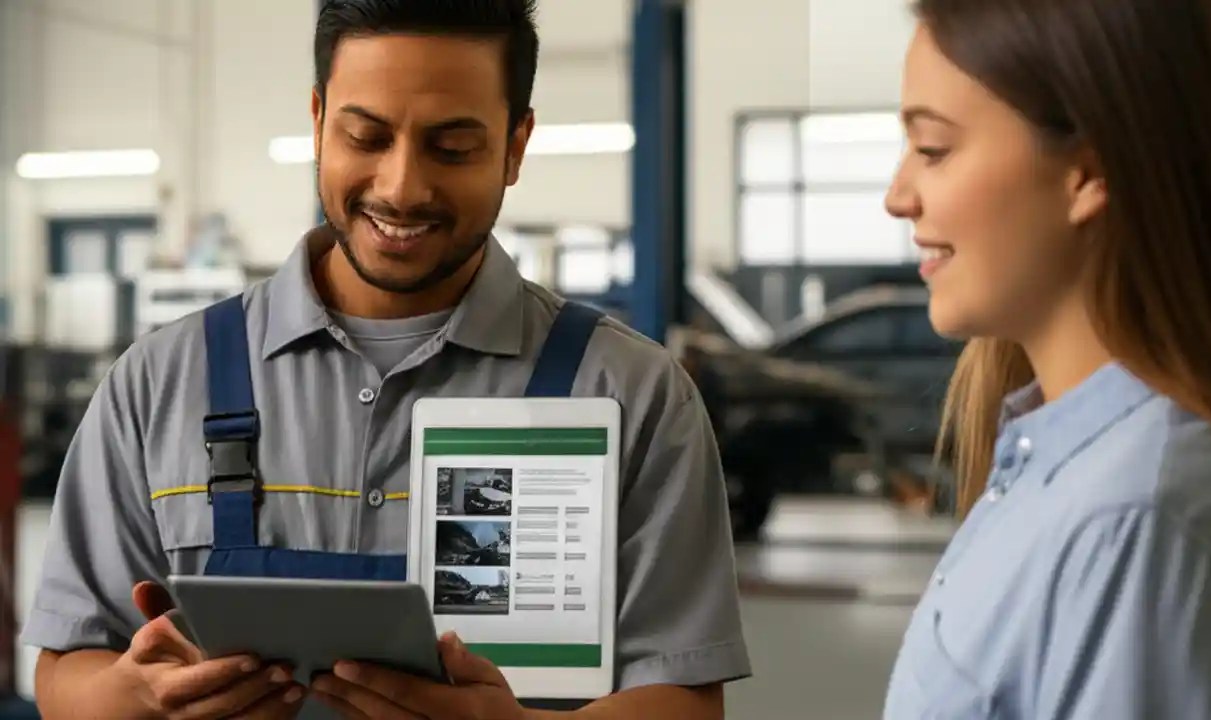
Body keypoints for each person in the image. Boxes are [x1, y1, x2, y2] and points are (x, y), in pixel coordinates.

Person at [21, 1, 751, 718]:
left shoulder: (633, 394)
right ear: (317, 123)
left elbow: (682, 698)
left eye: (453, 147)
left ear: (516, 145)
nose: (402, 188)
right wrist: (140, 696)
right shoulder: (159, 384)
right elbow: (68, 670)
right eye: (366, 137)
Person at [880, 0, 1211, 717]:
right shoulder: (1061, 465)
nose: (897, 196)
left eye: (933, 149)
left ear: (1088, 173)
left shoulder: (1139, 523)